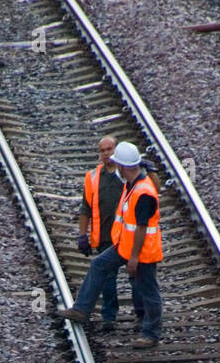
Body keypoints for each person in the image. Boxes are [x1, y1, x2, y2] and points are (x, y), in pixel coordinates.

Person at [59, 141, 162, 348]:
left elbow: (141, 228)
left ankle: (151, 333)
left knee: (148, 290)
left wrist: (133, 258)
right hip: (124, 245)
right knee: (99, 264)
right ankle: (81, 309)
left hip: (142, 251)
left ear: (124, 166)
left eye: (118, 165)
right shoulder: (132, 184)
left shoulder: (143, 192)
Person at [78, 135, 124, 332]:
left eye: (110, 149)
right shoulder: (94, 177)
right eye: (103, 150)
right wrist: (82, 235)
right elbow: (86, 207)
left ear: (117, 149)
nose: (106, 153)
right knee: (108, 278)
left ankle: (142, 315)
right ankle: (109, 317)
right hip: (105, 236)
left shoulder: (127, 172)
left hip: (127, 235)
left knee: (138, 278)